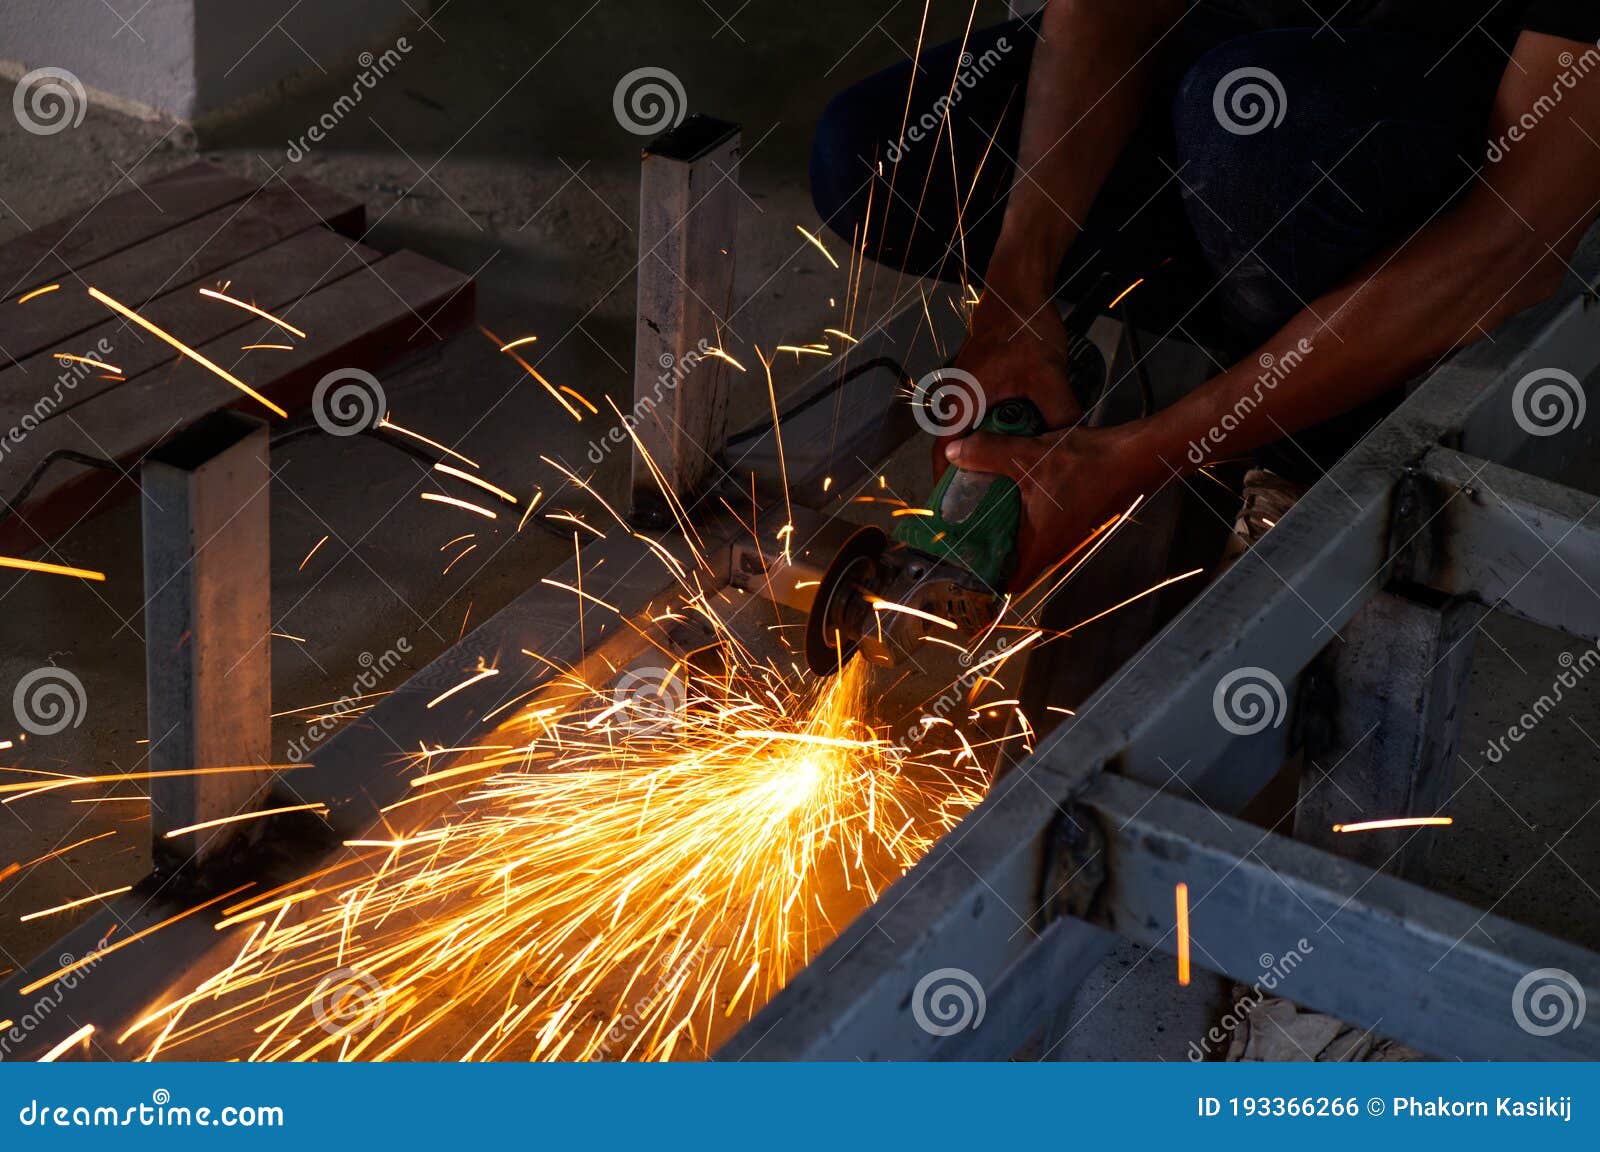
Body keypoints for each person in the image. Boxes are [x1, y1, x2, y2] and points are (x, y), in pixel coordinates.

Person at [811, 1, 1600, 586]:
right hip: (1230, 91)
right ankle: (1245, 313)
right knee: (868, 156)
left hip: (1426, 147)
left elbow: (1509, 247)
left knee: (1252, 133)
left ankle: (1312, 453)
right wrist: (1018, 289)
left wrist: (1133, 459)